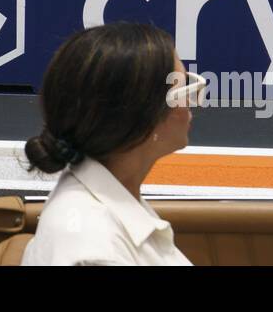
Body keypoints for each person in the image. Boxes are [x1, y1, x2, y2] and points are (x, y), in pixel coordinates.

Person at [22, 22, 200, 266]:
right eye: (185, 90)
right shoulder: (95, 249)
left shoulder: (110, 199)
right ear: (144, 117)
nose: (193, 102)